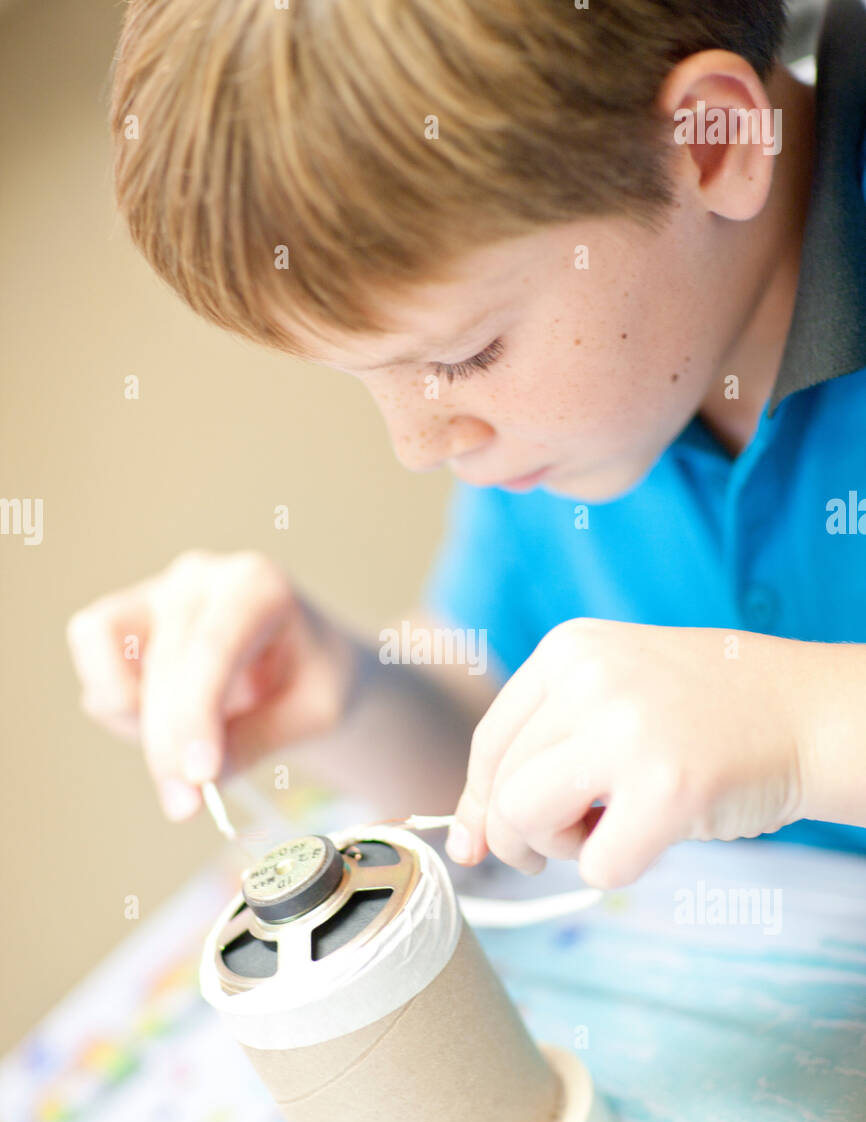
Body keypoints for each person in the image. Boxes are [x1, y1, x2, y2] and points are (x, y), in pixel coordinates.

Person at [67, 0, 866, 889]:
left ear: (710, 144)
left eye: (464, 355)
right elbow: (494, 748)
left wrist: (805, 724)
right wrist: (346, 691)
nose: (418, 443)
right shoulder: (591, 412)